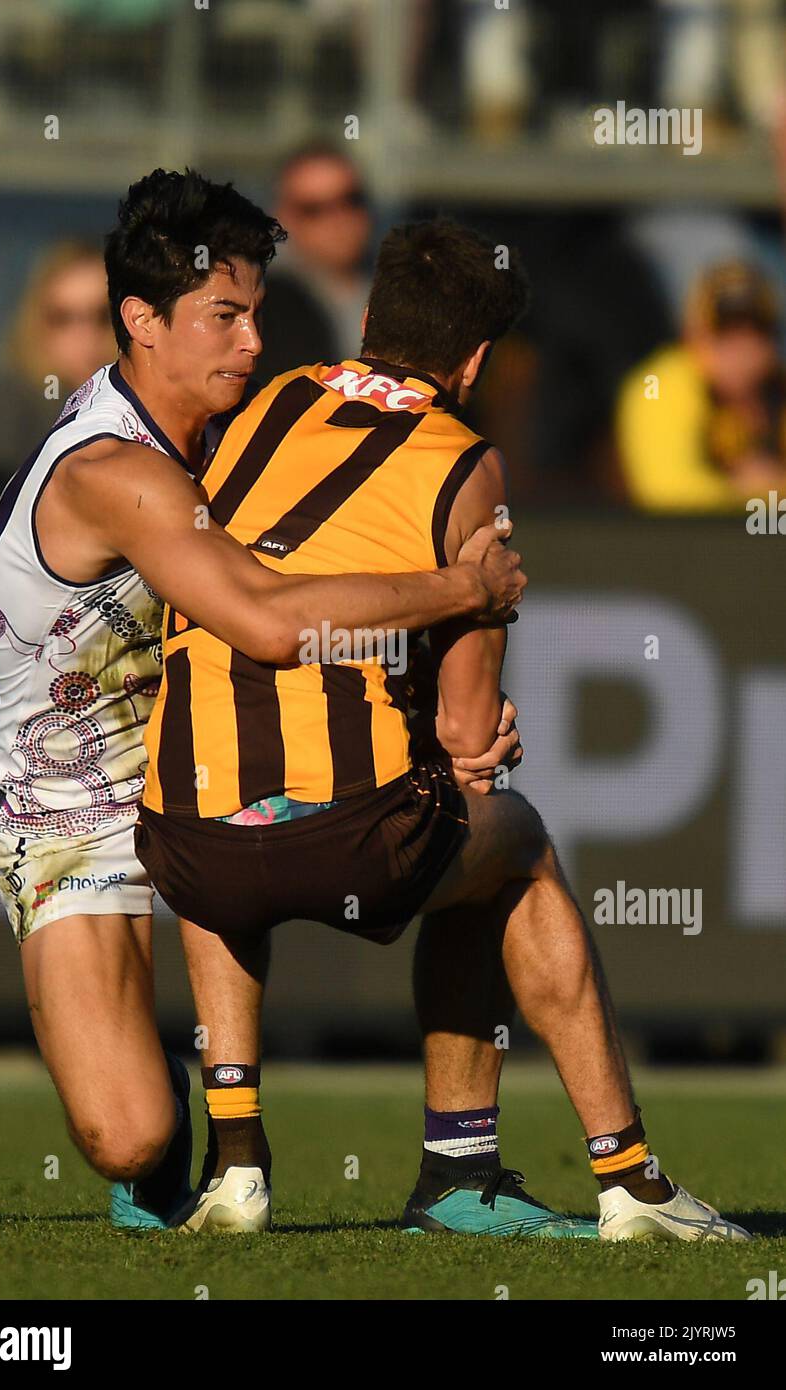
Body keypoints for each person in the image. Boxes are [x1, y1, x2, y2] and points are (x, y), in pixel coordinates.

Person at [137, 218, 749, 1242]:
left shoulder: (270, 398)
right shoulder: (463, 463)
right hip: (347, 834)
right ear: (473, 360)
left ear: (367, 318)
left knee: (220, 790)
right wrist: (461, 739)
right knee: (509, 837)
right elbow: (467, 730)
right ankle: (622, 1179)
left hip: (181, 841)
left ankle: (237, 1159)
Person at [0, 171, 526, 1233]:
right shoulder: (110, 470)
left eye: (257, 311)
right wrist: (466, 587)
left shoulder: (242, 433)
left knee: (482, 825)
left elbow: (319, 611)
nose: (251, 340)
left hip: (193, 767)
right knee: (127, 1136)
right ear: (139, 321)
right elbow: (272, 622)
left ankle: (460, 1164)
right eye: (224, 316)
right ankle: (176, 1117)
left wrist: (443, 714)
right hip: (68, 813)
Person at [618, 260, 786, 511]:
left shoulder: (775, 390)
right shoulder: (660, 384)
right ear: (693, 335)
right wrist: (758, 495)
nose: (741, 350)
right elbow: (670, 495)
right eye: (724, 334)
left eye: (755, 332)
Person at [0, 241, 116, 500]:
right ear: (35, 324)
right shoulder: (6, 406)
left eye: (102, 316)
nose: (84, 336)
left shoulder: (149, 406)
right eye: (62, 318)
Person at [257, 143, 372, 382]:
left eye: (350, 200)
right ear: (283, 217)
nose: (338, 219)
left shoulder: (405, 288)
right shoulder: (263, 308)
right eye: (314, 209)